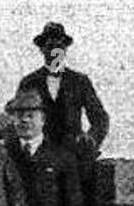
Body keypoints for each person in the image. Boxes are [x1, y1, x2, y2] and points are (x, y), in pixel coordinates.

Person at [14, 22, 109, 161]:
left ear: (65, 50)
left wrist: (90, 140)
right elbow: (19, 116)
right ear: (42, 49)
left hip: (74, 156)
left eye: (59, 47)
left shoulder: (80, 81)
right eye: (50, 47)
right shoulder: (29, 82)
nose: (54, 52)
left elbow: (100, 118)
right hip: (38, 157)